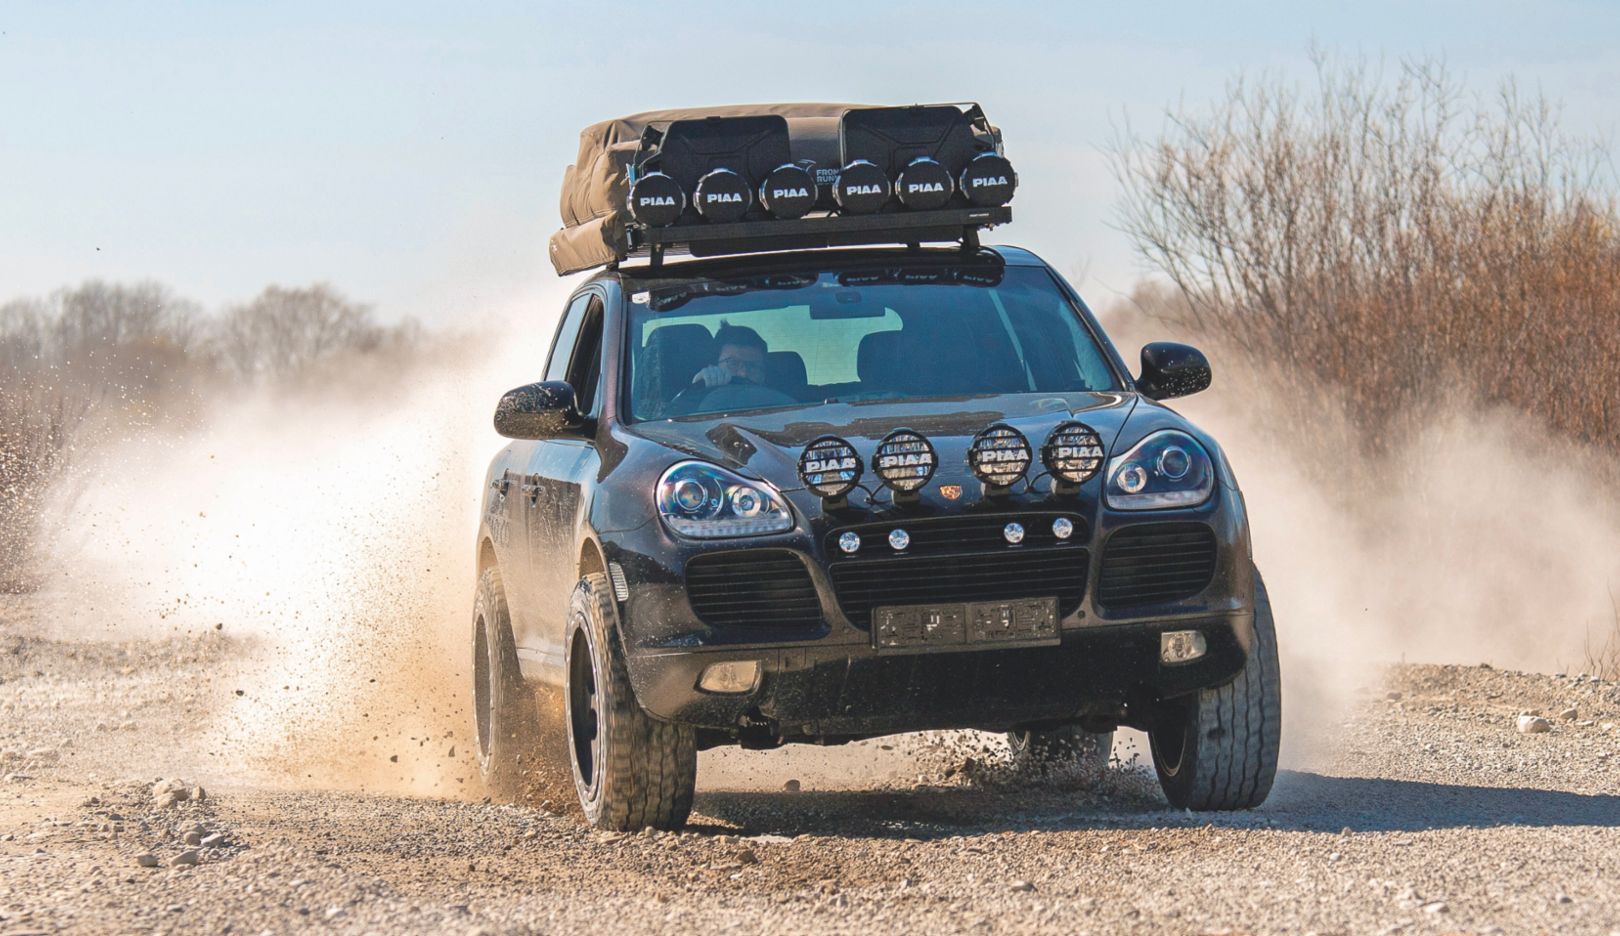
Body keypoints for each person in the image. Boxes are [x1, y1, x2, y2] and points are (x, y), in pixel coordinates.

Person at [692, 322, 768, 388]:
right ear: (714, 366)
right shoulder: (700, 399)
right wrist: (698, 388)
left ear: (763, 374)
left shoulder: (777, 400)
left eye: (752, 366)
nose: (743, 374)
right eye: (733, 363)